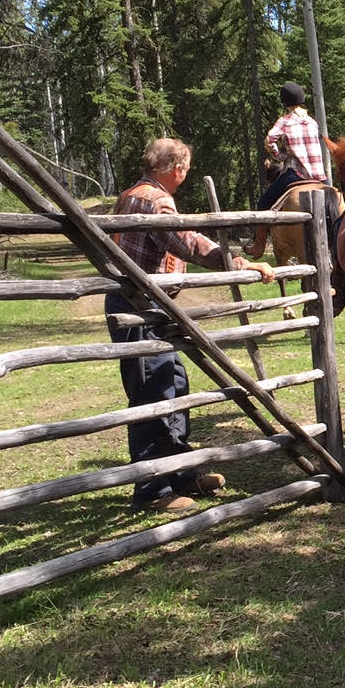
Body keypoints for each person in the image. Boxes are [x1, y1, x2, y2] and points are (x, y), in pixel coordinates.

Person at [106, 137, 277, 512]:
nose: (185, 175)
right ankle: (153, 491)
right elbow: (186, 242)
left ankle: (182, 473)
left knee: (173, 386)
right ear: (174, 168)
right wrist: (238, 264)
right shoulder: (156, 201)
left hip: (148, 305)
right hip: (140, 307)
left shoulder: (132, 194)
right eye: (184, 168)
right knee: (152, 394)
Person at [252, 82, 327, 259]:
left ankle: (258, 246)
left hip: (296, 174)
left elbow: (269, 139)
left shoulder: (285, 121)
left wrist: (279, 156)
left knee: (263, 203)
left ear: (285, 102)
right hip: (319, 177)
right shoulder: (312, 122)